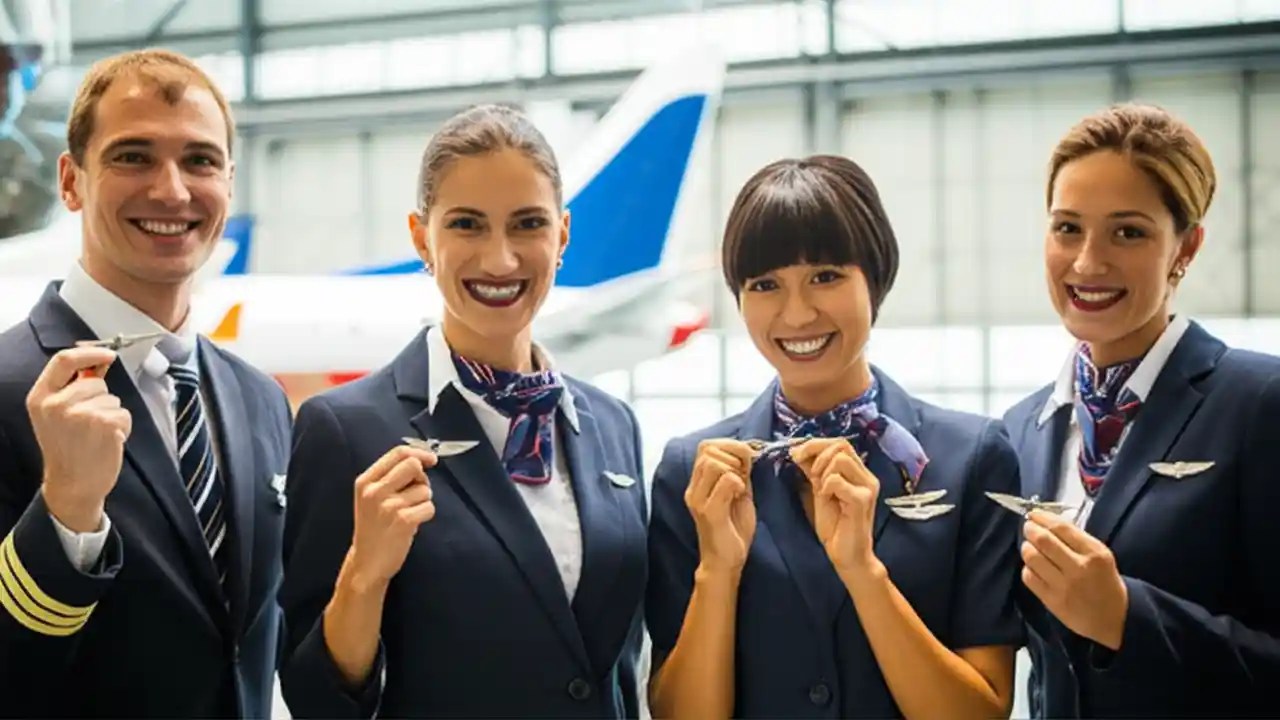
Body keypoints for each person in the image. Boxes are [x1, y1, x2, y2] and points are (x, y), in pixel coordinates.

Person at [278, 104, 649, 718]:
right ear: (422, 237)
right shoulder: (345, 430)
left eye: (527, 224)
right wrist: (364, 575)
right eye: (468, 225)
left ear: (561, 235)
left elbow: (621, 669)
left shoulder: (612, 425)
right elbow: (315, 699)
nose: (500, 260)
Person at [646, 154, 1024, 719]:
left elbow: (982, 712)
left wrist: (864, 573)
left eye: (825, 276)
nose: (797, 314)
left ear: (876, 279)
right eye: (766, 284)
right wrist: (717, 573)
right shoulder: (692, 472)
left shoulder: (971, 458)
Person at [0, 49, 293, 717]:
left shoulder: (261, 401)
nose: (172, 191)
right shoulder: (8, 390)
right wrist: (67, 514)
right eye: (133, 156)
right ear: (71, 182)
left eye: (200, 160)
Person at [1003, 103, 1280, 718]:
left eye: (1128, 232)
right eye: (1067, 228)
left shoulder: (1259, 404)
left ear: (1187, 245)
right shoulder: (1018, 432)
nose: (1087, 262)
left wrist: (1128, 617)